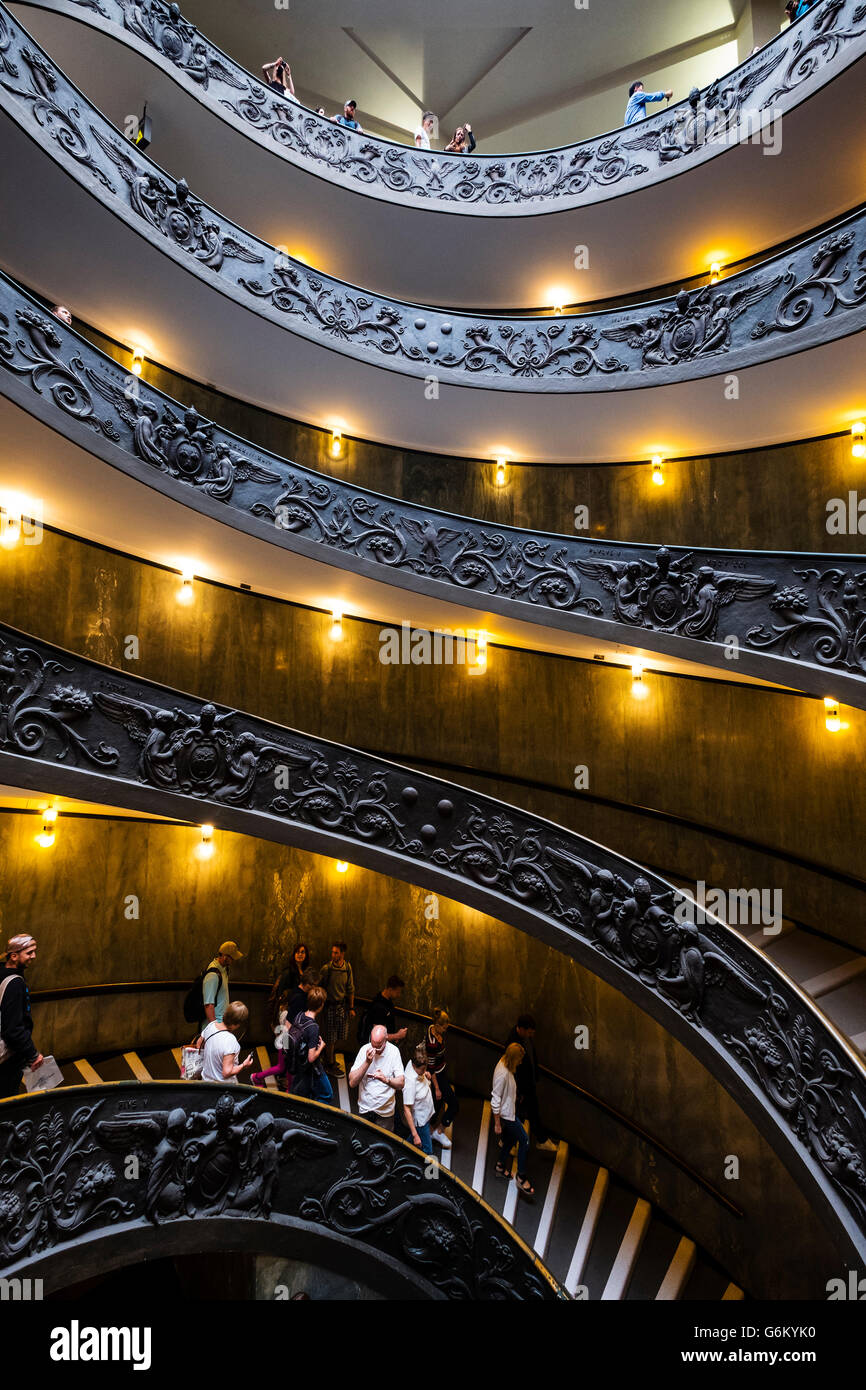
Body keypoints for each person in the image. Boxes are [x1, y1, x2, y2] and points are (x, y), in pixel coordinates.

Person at [250, 968, 321, 1090]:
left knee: (283, 1067)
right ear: (308, 984)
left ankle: (258, 1077)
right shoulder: (300, 998)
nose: (315, 989)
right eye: (314, 985)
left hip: (286, 1035)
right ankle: (260, 1078)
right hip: (288, 1036)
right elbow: (289, 1021)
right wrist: (290, 1045)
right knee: (286, 1066)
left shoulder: (297, 992)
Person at [0, 935, 44, 1099]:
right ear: (14, 956)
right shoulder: (14, 983)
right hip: (7, 1061)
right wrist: (33, 1054)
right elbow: (13, 1028)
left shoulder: (2, 973)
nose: (34, 956)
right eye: (29, 952)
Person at [507, 1014, 558, 1152]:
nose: (532, 1034)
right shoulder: (513, 1043)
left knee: (527, 1114)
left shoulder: (525, 1038)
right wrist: (519, 1092)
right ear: (522, 1029)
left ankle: (537, 1140)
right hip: (523, 1088)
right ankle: (510, 1142)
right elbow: (514, 1069)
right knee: (521, 1115)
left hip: (528, 1085)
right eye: (530, 1032)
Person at [492, 1042, 534, 1197]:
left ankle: (500, 1166)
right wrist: (497, 1123)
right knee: (524, 1141)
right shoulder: (502, 1074)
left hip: (510, 1110)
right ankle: (521, 1176)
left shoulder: (505, 1064)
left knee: (510, 1140)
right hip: (507, 1115)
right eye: (519, 1059)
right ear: (513, 1058)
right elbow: (495, 1099)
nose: (521, 1062)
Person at [349, 1024, 404, 1130]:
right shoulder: (364, 1049)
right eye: (372, 1044)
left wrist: (386, 1080)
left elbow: (401, 1083)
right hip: (365, 1109)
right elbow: (352, 1083)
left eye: (378, 1046)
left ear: (386, 1039)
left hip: (385, 1113)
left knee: (382, 1145)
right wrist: (367, 1062)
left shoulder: (394, 1052)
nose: (374, 1049)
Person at [290, 986, 334, 1103]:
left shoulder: (299, 1016)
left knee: (305, 1094)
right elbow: (311, 1057)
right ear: (321, 1005)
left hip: (299, 1063)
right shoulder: (313, 1027)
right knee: (327, 1094)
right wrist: (321, 1047)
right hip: (311, 1067)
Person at [320, 940, 354, 1076]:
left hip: (342, 1006)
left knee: (339, 1034)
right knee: (330, 1038)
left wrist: (351, 1007)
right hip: (329, 1006)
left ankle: (329, 1058)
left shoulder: (347, 967)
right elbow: (319, 986)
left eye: (336, 952)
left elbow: (350, 988)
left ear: (342, 954)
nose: (333, 955)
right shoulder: (326, 969)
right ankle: (329, 1063)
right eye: (332, 952)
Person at [426, 1007, 457, 1148]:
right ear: (438, 1026)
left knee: (437, 1105)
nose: (445, 1030)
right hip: (436, 1077)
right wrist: (437, 1088)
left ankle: (429, 1129)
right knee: (454, 1105)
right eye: (444, 1028)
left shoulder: (433, 1028)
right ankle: (439, 1131)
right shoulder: (432, 1042)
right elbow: (431, 1067)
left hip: (441, 1072)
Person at [200, 1000, 253, 1083]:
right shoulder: (230, 1041)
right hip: (223, 1088)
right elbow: (227, 1072)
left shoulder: (211, 1025)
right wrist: (243, 1065)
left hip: (206, 1082)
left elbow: (199, 1044)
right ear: (237, 1024)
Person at [402, 1045, 435, 1154]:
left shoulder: (414, 1065)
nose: (425, 1071)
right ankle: (431, 1171)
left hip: (425, 1114)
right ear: (414, 1066)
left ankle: (400, 1154)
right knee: (428, 1152)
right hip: (421, 1121)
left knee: (409, 1144)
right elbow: (406, 1109)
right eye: (422, 1070)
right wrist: (415, 1134)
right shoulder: (410, 1082)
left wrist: (424, 1074)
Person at [202, 941, 244, 1026]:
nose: (233, 961)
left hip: (221, 1022)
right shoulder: (213, 975)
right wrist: (215, 1028)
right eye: (232, 958)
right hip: (214, 1024)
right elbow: (208, 1005)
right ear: (225, 957)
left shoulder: (223, 970)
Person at [358, 975, 408, 1046]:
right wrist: (397, 1035)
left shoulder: (388, 1001)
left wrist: (394, 1036)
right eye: (397, 992)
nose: (399, 995)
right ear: (390, 989)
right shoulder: (378, 1006)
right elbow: (378, 1036)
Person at [268, 942, 310, 1025]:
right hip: (289, 1009)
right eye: (297, 952)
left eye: (302, 952)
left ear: (306, 955)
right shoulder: (288, 972)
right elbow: (280, 993)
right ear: (294, 954)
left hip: (303, 1008)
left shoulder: (307, 971)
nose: (300, 954)